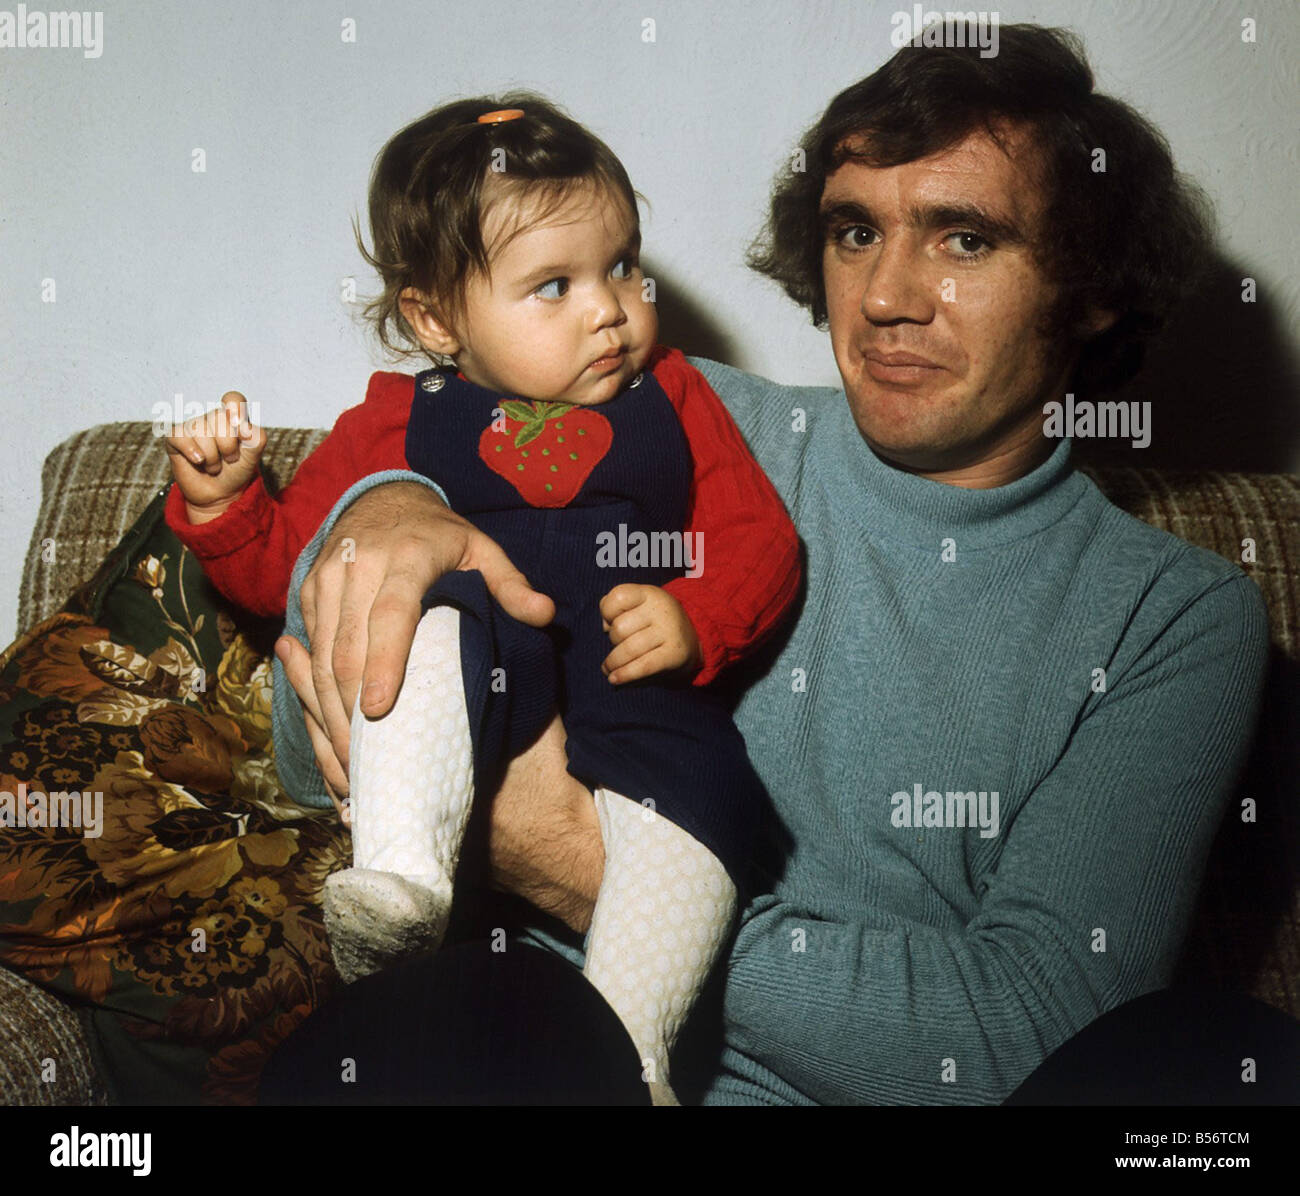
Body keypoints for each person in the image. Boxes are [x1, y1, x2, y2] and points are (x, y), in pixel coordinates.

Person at [266, 23, 1272, 1104]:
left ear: (1093, 285)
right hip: (519, 1053)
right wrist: (387, 508)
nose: (887, 294)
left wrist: (586, 862)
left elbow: (1023, 1037)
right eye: (853, 232)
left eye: (963, 239)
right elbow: (298, 742)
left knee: (1233, 1069)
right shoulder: (671, 413)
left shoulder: (1174, 618)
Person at [162, 95, 801, 1105]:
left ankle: (634, 1050)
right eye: (553, 284)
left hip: (632, 680)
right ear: (435, 317)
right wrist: (228, 504)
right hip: (482, 673)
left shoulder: (673, 395)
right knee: (419, 624)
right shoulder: (392, 421)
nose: (611, 308)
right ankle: (402, 871)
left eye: (623, 265)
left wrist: (699, 619)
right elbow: (296, 573)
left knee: (697, 800)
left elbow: (759, 536)